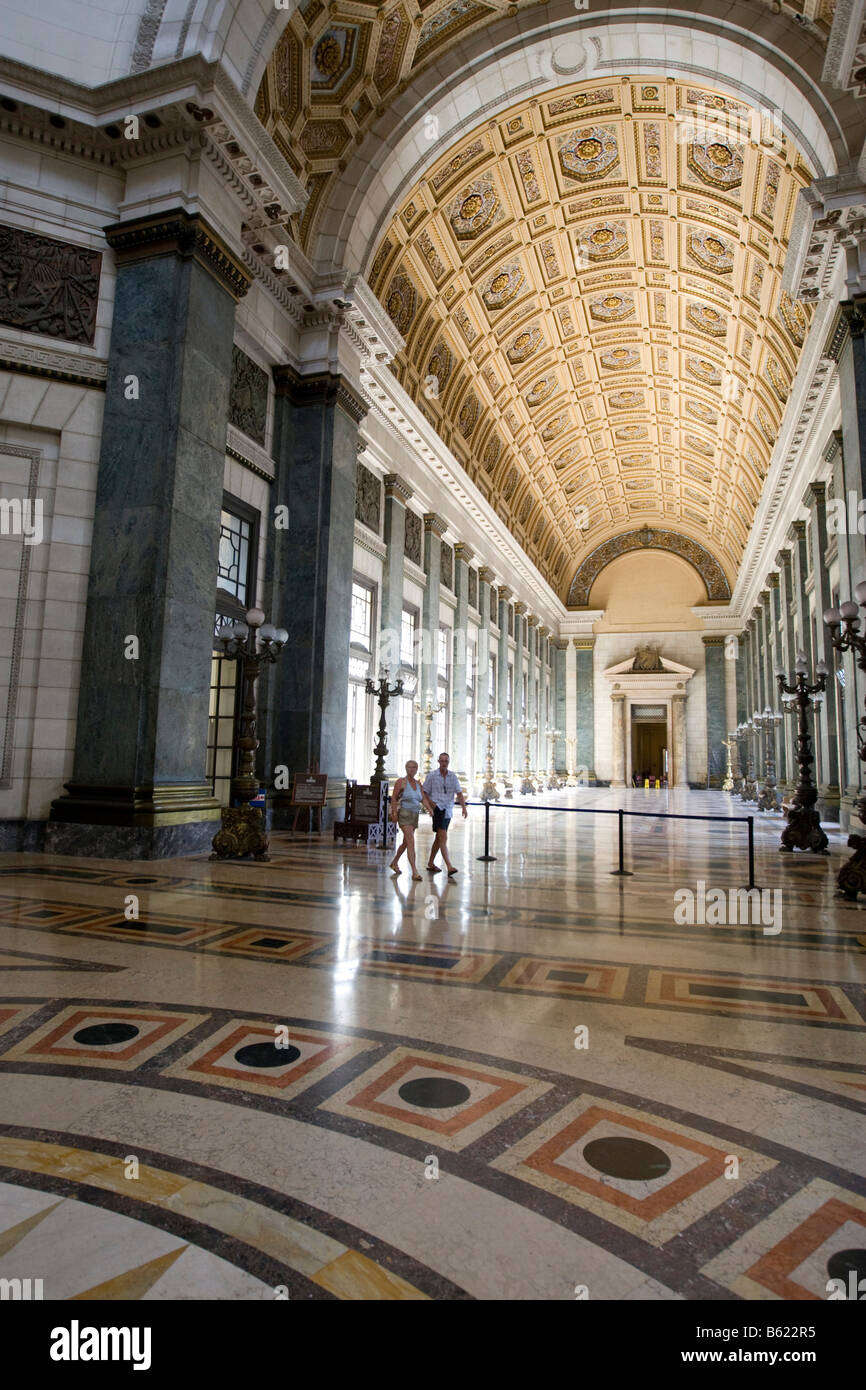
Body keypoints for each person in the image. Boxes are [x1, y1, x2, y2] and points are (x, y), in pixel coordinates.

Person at [422, 751, 467, 876]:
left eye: (446, 761)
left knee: (439, 838)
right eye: (441, 761)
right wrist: (431, 804)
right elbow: (424, 792)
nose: (444, 763)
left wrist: (463, 807)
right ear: (438, 761)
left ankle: (431, 863)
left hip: (448, 810)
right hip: (438, 809)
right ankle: (449, 866)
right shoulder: (432, 776)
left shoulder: (453, 776)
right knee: (443, 837)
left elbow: (459, 793)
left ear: (448, 762)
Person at [389, 760, 434, 879]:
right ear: (406, 768)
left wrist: (429, 808)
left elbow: (422, 798)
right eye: (410, 767)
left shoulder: (418, 783)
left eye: (414, 767)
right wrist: (394, 813)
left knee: (406, 842)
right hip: (404, 814)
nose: (412, 769)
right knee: (411, 841)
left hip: (415, 815)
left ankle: (394, 862)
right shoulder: (401, 782)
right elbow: (394, 798)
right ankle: (414, 871)